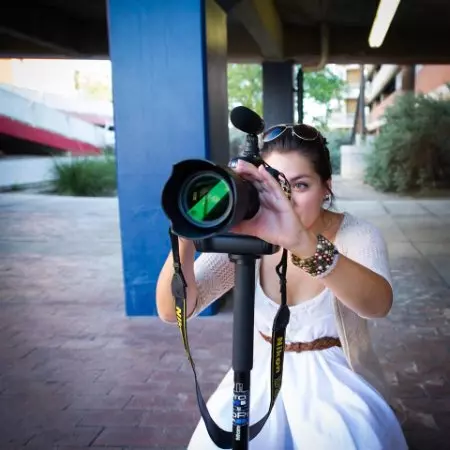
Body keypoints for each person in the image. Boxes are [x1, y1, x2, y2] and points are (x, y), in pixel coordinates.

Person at [156, 123, 408, 450]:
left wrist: (303, 244)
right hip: (259, 377)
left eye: (300, 185)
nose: (286, 200)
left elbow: (378, 305)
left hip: (338, 382)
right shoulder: (252, 234)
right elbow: (172, 311)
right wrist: (190, 226)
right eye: (274, 185)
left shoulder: (356, 234)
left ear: (326, 188)